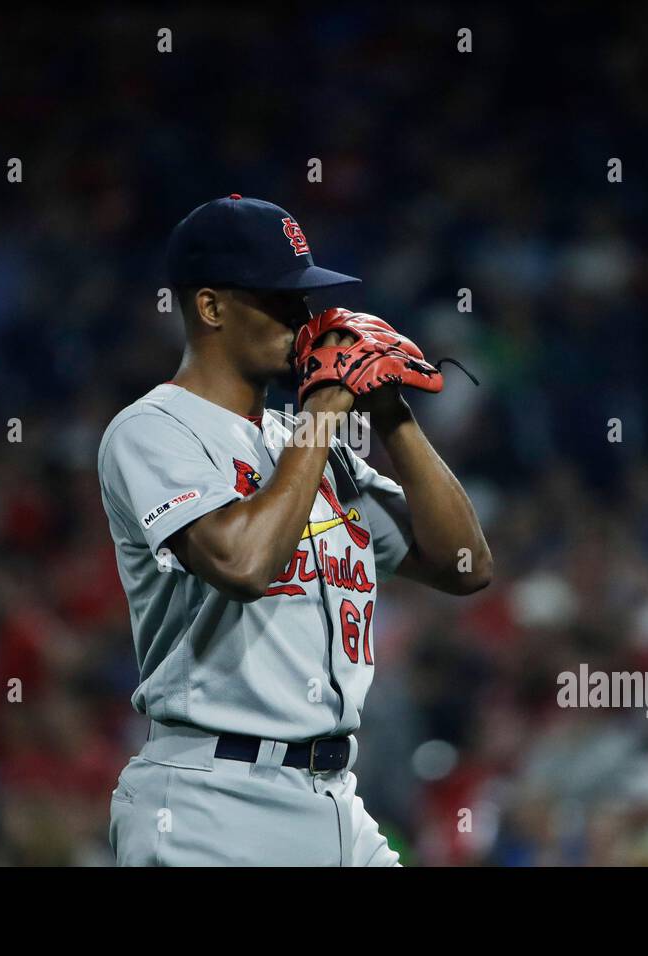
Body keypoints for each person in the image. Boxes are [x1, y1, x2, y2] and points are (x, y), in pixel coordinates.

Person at [98, 194, 492, 865]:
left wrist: (391, 412)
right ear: (211, 307)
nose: (303, 318)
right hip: (211, 804)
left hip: (335, 799)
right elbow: (245, 563)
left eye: (304, 297)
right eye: (278, 298)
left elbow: (464, 566)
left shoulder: (309, 442)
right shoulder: (153, 430)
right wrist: (323, 414)